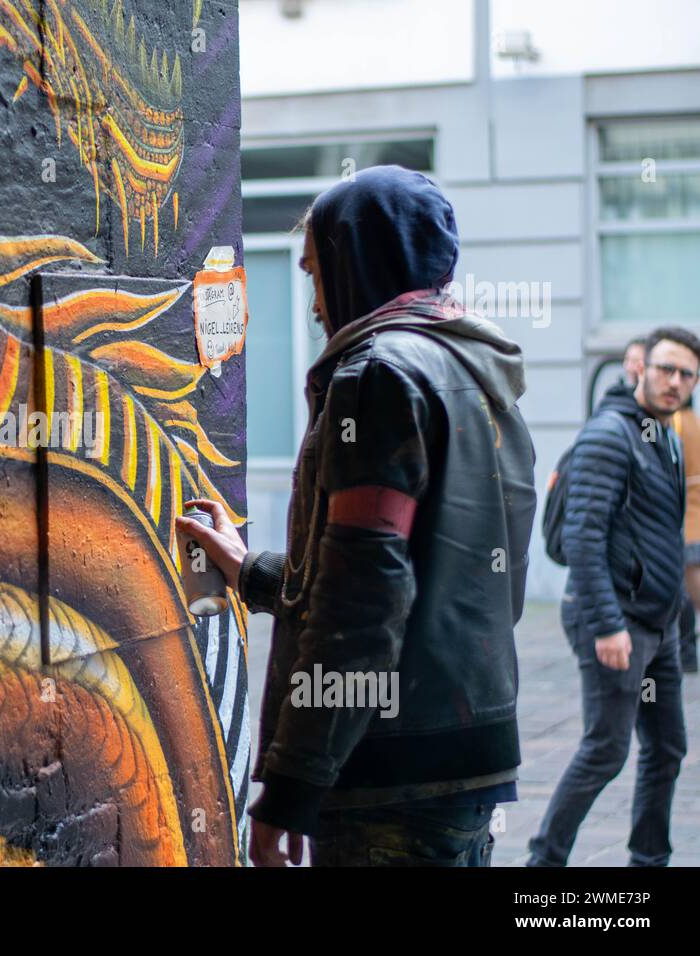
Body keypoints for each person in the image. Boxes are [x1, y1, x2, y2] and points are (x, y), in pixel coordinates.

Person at [179, 165, 537, 867]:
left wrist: (288, 787)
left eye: (316, 272)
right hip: (469, 755)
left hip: (387, 776)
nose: (314, 303)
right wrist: (248, 569)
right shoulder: (476, 367)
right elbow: (428, 574)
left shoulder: (377, 376)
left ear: (358, 261)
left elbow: (362, 609)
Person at [527, 327, 697, 867]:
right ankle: (544, 862)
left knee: (666, 748)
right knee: (605, 750)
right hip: (614, 620)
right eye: (666, 369)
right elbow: (582, 536)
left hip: (656, 625)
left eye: (686, 374)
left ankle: (649, 861)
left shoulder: (663, 434)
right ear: (639, 368)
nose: (675, 382)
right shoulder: (609, 435)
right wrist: (606, 625)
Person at [670, 395, 700, 673]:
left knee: (687, 587)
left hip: (687, 515)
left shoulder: (678, 421)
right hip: (694, 512)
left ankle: (688, 648)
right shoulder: (694, 420)